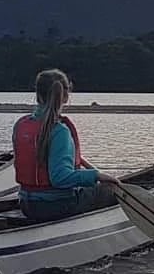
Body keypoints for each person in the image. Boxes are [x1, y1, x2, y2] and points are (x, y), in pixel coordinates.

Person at [12, 68, 120, 223]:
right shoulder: (59, 131)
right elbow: (60, 179)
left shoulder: (21, 124)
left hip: (26, 204)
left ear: (37, 95)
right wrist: (97, 176)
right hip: (55, 206)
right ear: (65, 96)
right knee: (110, 191)